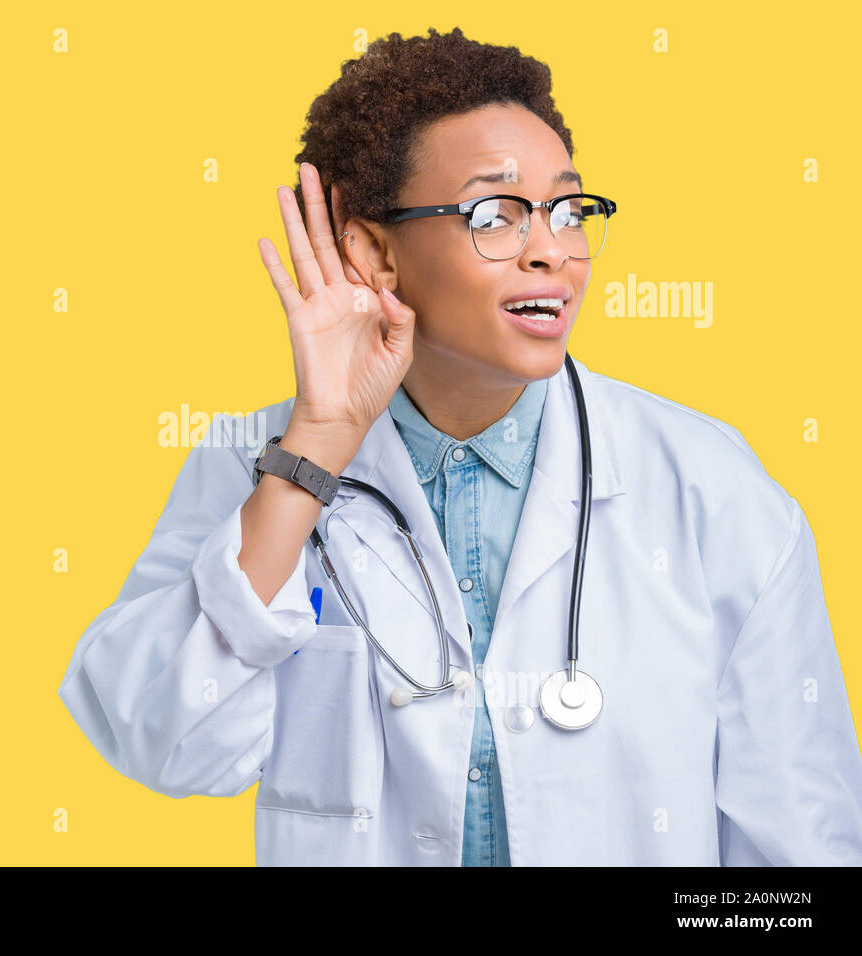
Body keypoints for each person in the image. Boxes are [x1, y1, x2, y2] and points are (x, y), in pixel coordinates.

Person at [57, 27, 862, 865]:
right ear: (375, 252)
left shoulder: (709, 488)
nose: (552, 249)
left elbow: (801, 850)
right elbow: (159, 742)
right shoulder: (250, 468)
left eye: (568, 209)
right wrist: (318, 448)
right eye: (496, 214)